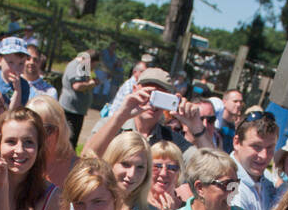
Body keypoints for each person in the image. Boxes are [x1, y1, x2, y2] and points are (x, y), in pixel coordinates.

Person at [85, 67, 216, 157]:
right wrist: (120, 117)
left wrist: (197, 128)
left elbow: (216, 169)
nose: (151, 102)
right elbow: (86, 156)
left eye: (160, 97)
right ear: (135, 90)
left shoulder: (171, 140)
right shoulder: (111, 125)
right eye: (147, 93)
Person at [103, 131, 158, 210]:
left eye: (140, 167)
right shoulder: (85, 205)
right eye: (125, 164)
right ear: (110, 162)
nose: (132, 174)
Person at [229, 112, 281, 210]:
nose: (264, 155)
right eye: (256, 147)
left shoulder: (267, 179)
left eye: (270, 148)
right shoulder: (225, 183)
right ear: (237, 142)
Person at [27, 93, 78, 188]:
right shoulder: (21, 162)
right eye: (32, 128)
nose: (38, 136)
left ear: (60, 130)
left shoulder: (77, 169)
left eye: (46, 130)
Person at [58, 50, 96, 149]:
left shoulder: (82, 67)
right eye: (93, 65)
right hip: (70, 111)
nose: (93, 68)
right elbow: (77, 86)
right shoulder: (75, 66)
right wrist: (90, 84)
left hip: (77, 111)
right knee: (67, 141)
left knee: (72, 142)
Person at [0, 36, 31, 110]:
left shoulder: (24, 86)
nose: (15, 68)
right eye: (10, 62)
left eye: (21, 63)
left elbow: (15, 113)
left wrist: (17, 91)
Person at [148, 140, 184, 210]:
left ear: (178, 173)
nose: (163, 173)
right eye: (157, 166)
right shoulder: (134, 206)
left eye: (171, 168)